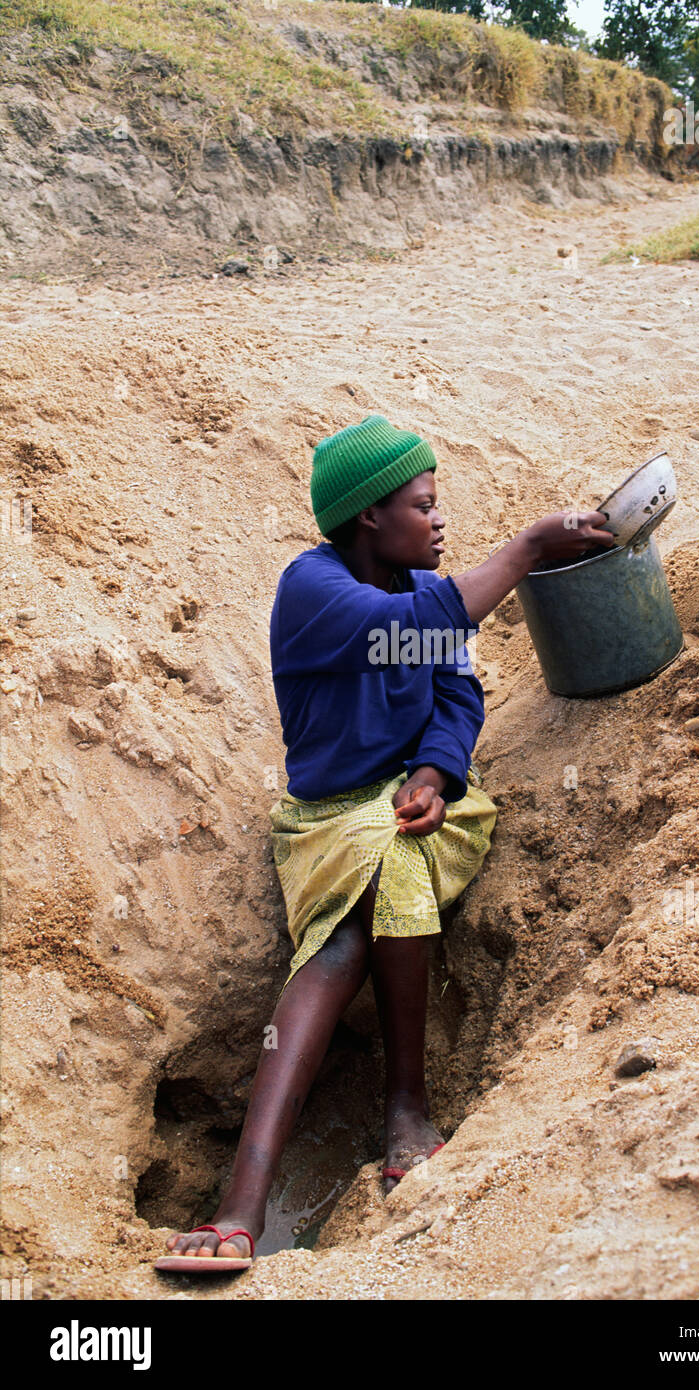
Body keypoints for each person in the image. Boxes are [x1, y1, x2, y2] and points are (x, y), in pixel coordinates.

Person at [155, 415, 614, 1272]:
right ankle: (302, 1168)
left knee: (378, 876)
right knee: (345, 925)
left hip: (414, 807)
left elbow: (456, 695)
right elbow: (403, 632)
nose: (440, 523)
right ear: (369, 516)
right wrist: (521, 552)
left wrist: (438, 774)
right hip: (325, 823)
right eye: (424, 506)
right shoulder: (314, 589)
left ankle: (362, 1133)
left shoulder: (413, 591)